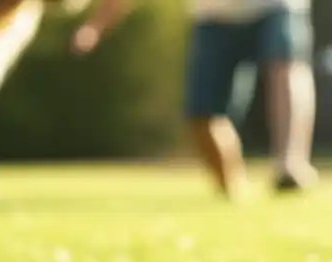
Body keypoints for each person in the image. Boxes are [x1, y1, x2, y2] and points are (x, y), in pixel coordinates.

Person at [72, 0, 318, 198]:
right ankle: (233, 188)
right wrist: (96, 26)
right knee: (201, 115)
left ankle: (290, 163)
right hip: (213, 16)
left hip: (274, 7)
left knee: (285, 68)